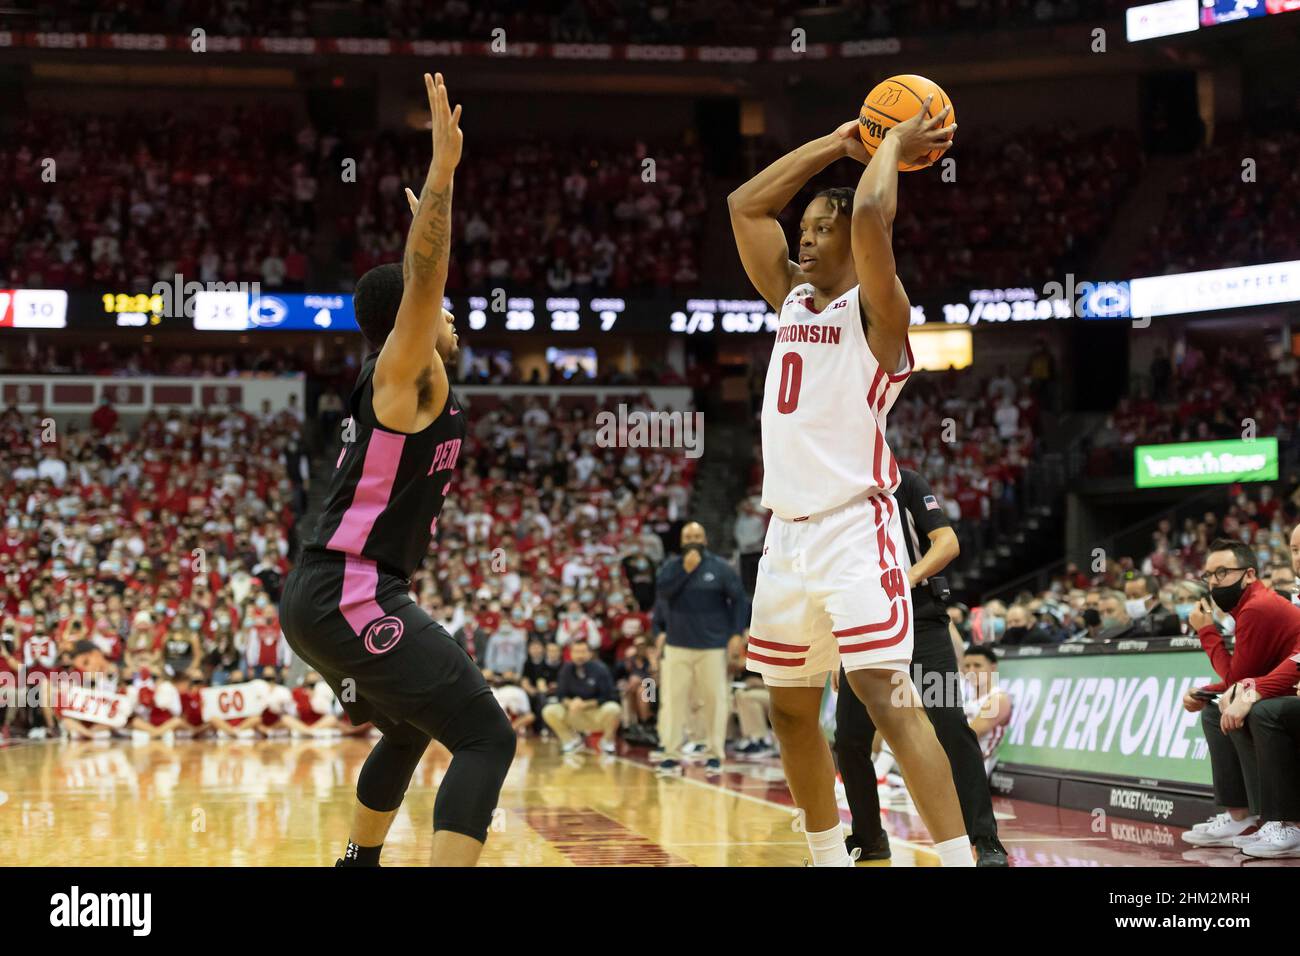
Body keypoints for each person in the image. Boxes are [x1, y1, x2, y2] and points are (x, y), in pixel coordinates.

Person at [278, 74, 515, 869]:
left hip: (340, 590)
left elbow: (425, 287)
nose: (452, 314)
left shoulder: (416, 385)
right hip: (345, 587)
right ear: (406, 327)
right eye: (440, 310)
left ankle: (358, 860)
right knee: (485, 735)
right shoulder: (402, 376)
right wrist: (443, 176)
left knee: (414, 724)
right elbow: (425, 285)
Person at [728, 100, 971, 866]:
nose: (803, 239)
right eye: (801, 232)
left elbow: (870, 210)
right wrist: (833, 142)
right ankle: (830, 857)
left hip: (854, 530)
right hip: (786, 537)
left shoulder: (880, 314)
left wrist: (892, 142)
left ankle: (962, 860)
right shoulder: (790, 298)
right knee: (791, 713)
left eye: (818, 231)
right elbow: (745, 204)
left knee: (889, 700)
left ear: (853, 248)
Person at [833, 469, 1007, 866]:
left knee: (950, 725)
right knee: (850, 738)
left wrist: (907, 578)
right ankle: (869, 837)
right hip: (864, 628)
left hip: (920, 622)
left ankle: (986, 839)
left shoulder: (905, 483)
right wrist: (832, 648)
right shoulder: (839, 492)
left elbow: (947, 543)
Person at [1180, 538, 1300, 848]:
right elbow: (1247, 675)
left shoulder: (1258, 606)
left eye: (1221, 572)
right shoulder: (1251, 606)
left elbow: (1239, 677)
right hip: (1290, 687)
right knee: (1214, 709)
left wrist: (1206, 630)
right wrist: (1208, 692)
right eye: (1208, 575)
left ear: (1248, 574)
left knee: (1260, 711)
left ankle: (1284, 822)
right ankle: (1240, 816)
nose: (1213, 582)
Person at [653, 521, 750, 776]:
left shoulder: (720, 568)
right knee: (673, 703)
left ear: (705, 540)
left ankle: (714, 754)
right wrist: (686, 571)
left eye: (697, 535)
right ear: (682, 541)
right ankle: (671, 754)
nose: (693, 539)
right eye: (688, 536)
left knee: (715, 702)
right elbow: (662, 593)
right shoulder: (671, 567)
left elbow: (739, 599)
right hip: (677, 647)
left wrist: (736, 634)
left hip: (713, 648)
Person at [541, 640, 622, 754]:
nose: (579, 655)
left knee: (614, 708)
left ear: (590, 653)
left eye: (583, 652)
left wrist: (585, 704)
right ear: (571, 653)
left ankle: (607, 741)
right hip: (574, 712)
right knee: (549, 710)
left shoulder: (601, 669)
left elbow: (608, 696)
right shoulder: (566, 669)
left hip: (595, 712)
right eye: (576, 652)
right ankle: (570, 741)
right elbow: (560, 695)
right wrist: (571, 703)